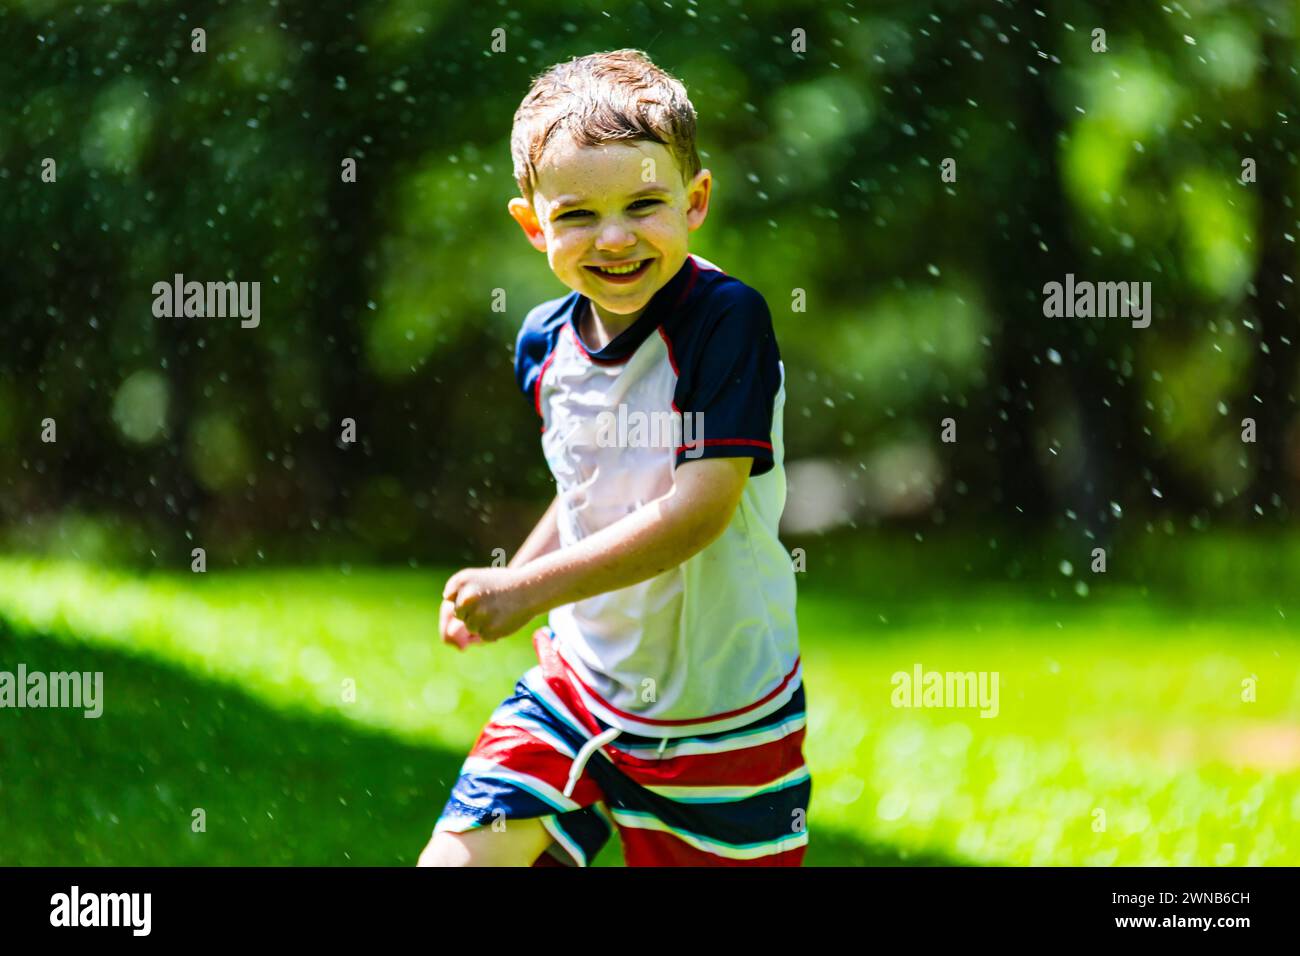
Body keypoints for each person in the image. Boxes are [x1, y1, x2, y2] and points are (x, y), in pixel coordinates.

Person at [419, 49, 807, 867]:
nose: (616, 238)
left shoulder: (722, 321)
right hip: (575, 690)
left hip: (720, 710)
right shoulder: (543, 343)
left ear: (694, 201)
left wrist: (526, 589)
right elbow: (585, 488)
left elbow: (698, 512)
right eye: (577, 215)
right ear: (533, 225)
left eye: (643, 203)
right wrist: (515, 579)